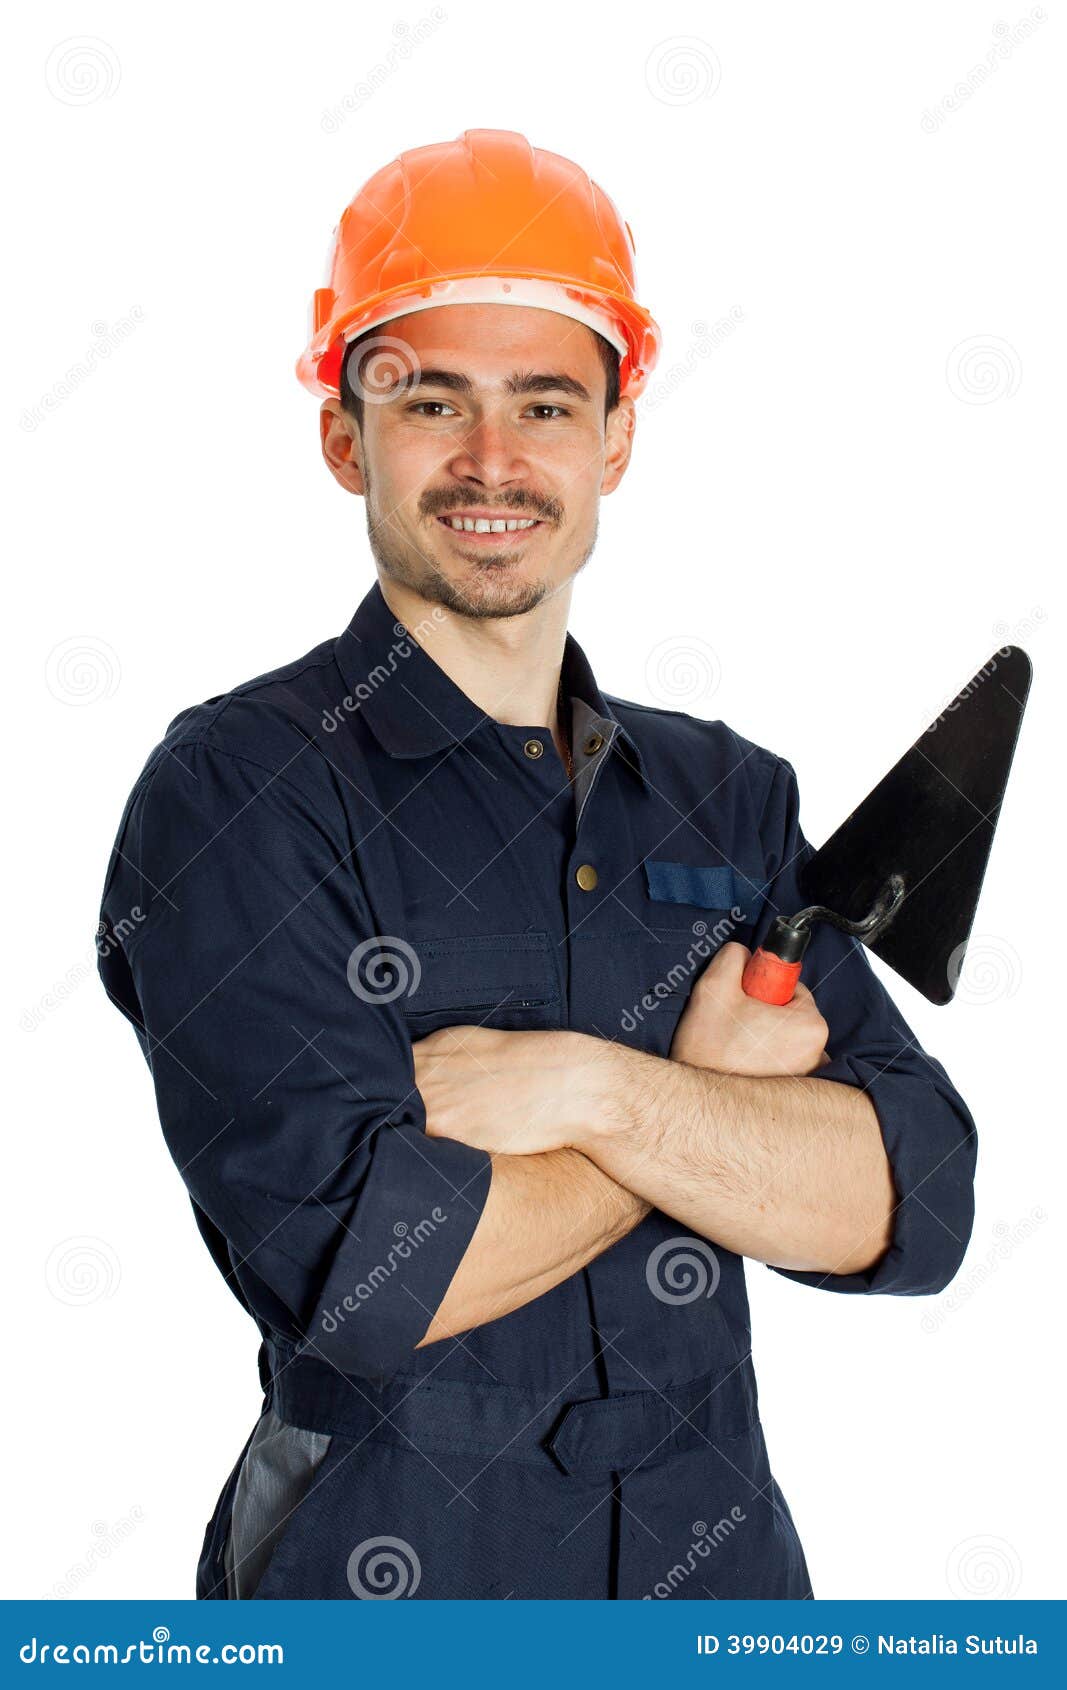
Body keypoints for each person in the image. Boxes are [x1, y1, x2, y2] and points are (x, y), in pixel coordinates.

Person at [96, 129, 976, 1601]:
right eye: (431, 399)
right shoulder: (240, 793)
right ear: (342, 434)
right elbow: (376, 1272)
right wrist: (717, 1121)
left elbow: (916, 1199)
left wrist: (602, 1089)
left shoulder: (725, 795)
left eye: (547, 404)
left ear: (615, 441)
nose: (493, 463)